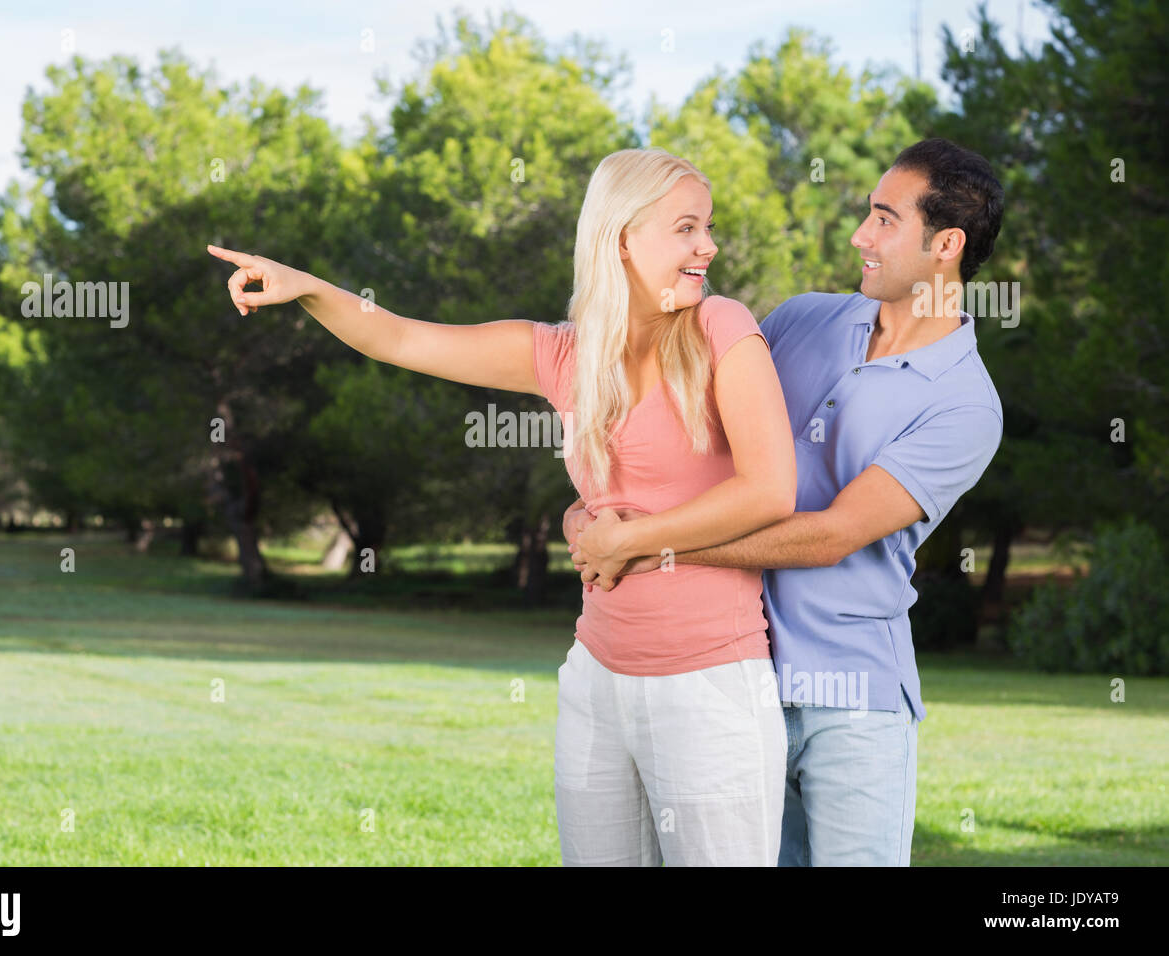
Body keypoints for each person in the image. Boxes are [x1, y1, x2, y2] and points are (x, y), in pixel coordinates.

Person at [209, 146, 798, 865]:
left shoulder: (721, 328)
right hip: (598, 681)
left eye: (707, 226)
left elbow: (772, 489)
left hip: (710, 686)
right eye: (686, 227)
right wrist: (306, 287)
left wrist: (628, 542)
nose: (709, 245)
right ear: (622, 237)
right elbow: (397, 336)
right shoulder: (563, 355)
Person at [568, 137, 1006, 866]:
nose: (861, 235)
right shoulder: (800, 319)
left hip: (854, 703)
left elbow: (831, 535)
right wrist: (590, 515)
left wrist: (645, 543)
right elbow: (683, 444)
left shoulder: (967, 404)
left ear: (946, 245)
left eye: (884, 219)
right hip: (737, 683)